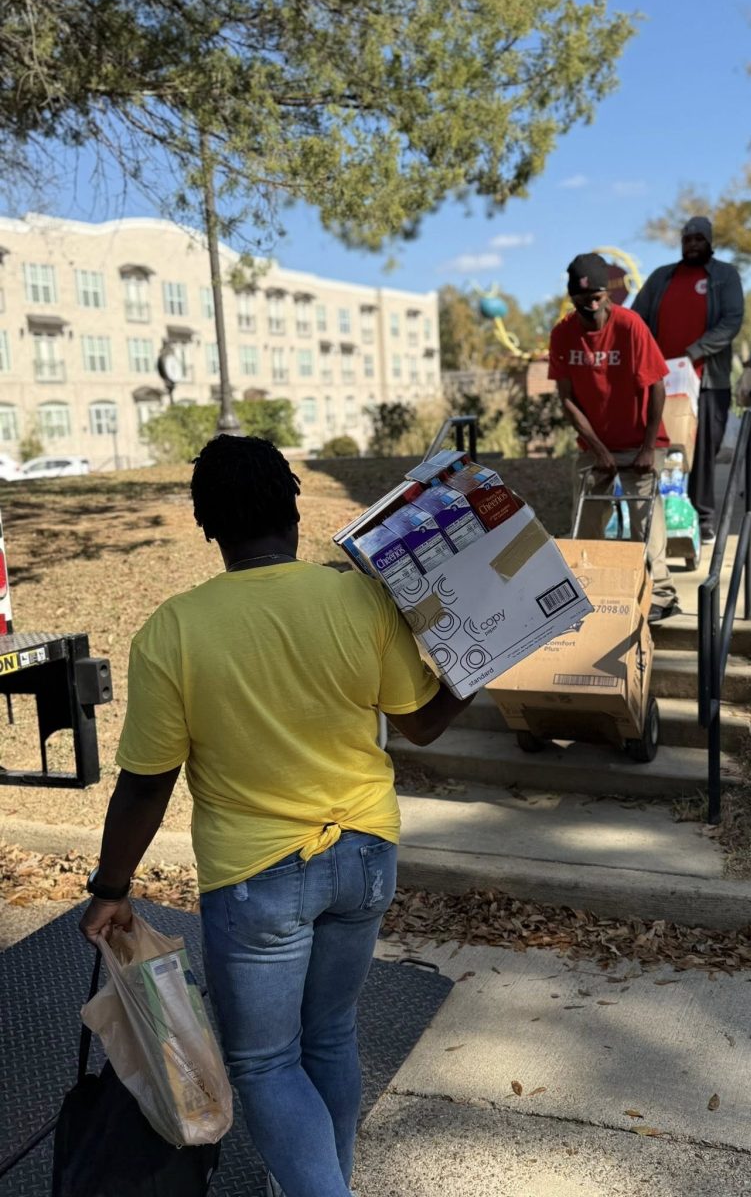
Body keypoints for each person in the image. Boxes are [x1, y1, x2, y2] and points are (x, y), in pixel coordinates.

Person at [78, 435, 473, 1197]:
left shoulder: (175, 630)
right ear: (294, 511)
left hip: (256, 879)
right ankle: (323, 1180)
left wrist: (112, 884)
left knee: (265, 1063)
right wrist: (487, 660)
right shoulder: (358, 598)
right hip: (365, 857)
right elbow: (422, 723)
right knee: (329, 1037)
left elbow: (146, 783)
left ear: (208, 527)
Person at [549, 252, 679, 622]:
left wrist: (648, 447)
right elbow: (567, 399)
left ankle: (662, 594)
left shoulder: (630, 326)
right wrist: (598, 449)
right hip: (596, 444)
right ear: (573, 296)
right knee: (587, 521)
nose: (591, 304)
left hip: (641, 441)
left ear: (608, 293)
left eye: (597, 296)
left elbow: (656, 387)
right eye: (582, 297)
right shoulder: (562, 333)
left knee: (645, 520)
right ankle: (589, 591)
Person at [632, 215, 744, 544]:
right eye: (687, 239)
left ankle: (704, 518)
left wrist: (694, 352)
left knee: (703, 451)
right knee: (668, 450)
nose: (692, 244)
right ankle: (664, 519)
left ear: (709, 242)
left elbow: (732, 320)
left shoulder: (725, 276)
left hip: (708, 380)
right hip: (664, 381)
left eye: (699, 238)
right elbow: (638, 318)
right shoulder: (662, 277)